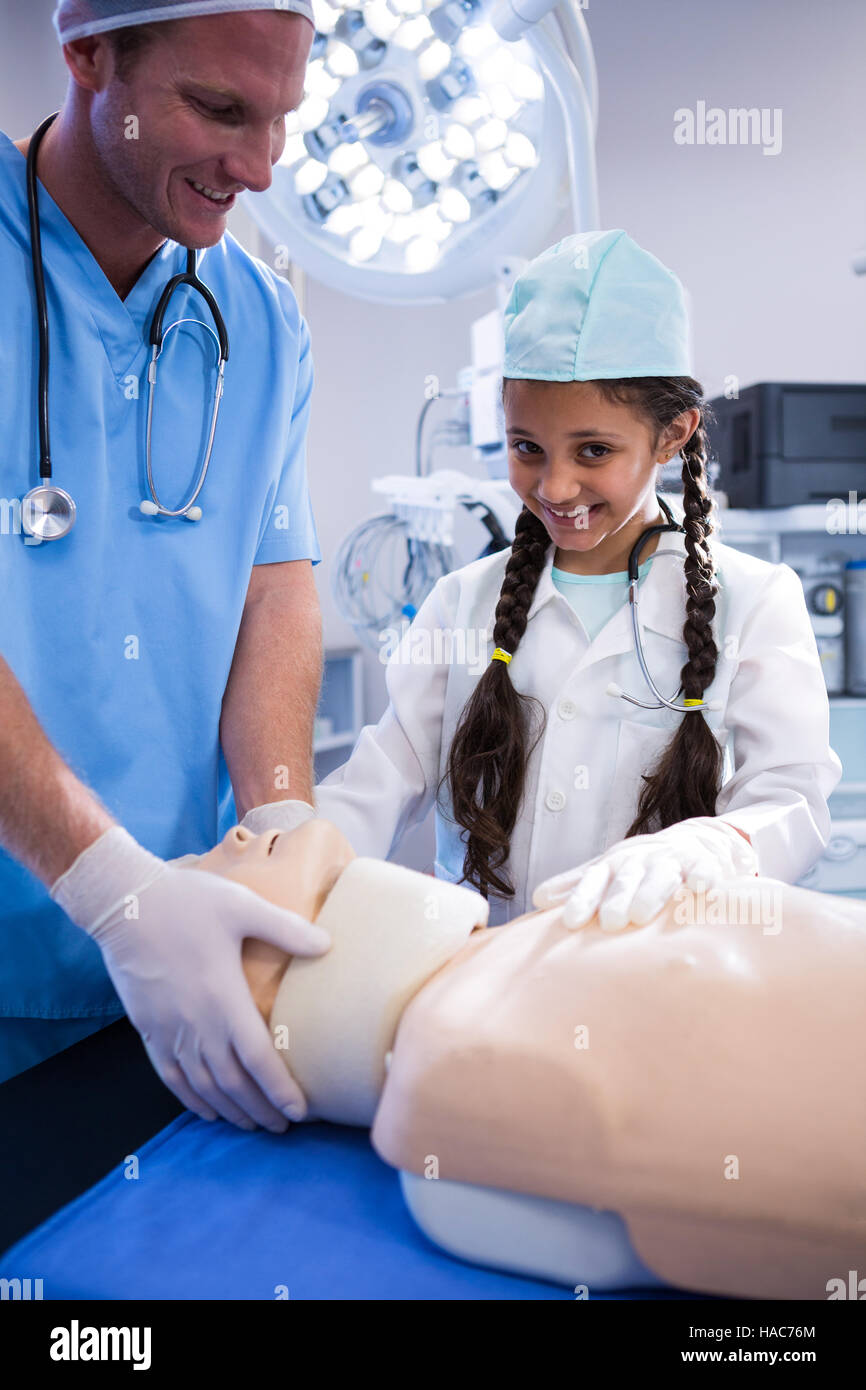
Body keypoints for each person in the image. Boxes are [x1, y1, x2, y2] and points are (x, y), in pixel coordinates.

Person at [0, 1, 333, 1132]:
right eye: (219, 109)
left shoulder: (261, 319)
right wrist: (111, 890)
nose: (257, 167)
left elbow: (269, 579)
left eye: (281, 119)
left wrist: (277, 824)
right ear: (88, 56)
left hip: (169, 967)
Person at [313, 229, 842, 927]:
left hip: (663, 988)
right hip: (484, 988)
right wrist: (295, 857)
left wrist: (714, 844)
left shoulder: (754, 602)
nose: (556, 486)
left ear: (673, 434)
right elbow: (377, 783)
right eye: (527, 447)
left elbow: (794, 802)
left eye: (594, 450)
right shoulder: (461, 605)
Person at [178, 815, 866, 1300]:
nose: (235, 833)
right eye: (206, 866)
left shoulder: (498, 965)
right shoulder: (455, 1062)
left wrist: (719, 836)